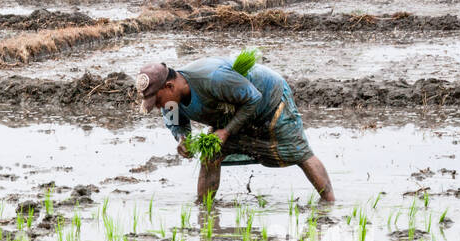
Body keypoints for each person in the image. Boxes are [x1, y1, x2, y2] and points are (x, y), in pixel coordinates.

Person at [136, 57, 335, 203]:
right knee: (210, 153)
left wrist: (226, 131)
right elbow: (176, 123)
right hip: (232, 110)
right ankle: (205, 208)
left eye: (158, 100)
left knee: (298, 151)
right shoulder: (170, 101)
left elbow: (253, 98)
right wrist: (182, 138)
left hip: (269, 99)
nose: (159, 107)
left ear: (169, 86)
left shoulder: (212, 78)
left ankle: (329, 202)